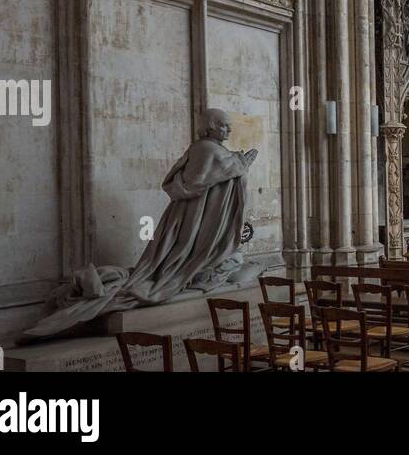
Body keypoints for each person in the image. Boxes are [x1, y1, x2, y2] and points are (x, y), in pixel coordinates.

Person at [24, 109, 258, 340]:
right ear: (209, 126)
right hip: (197, 216)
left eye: (229, 126)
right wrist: (238, 164)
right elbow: (196, 182)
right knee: (182, 261)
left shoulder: (208, 149)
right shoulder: (207, 149)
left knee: (178, 260)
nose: (228, 130)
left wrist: (236, 164)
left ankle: (192, 269)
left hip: (197, 215)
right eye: (223, 125)